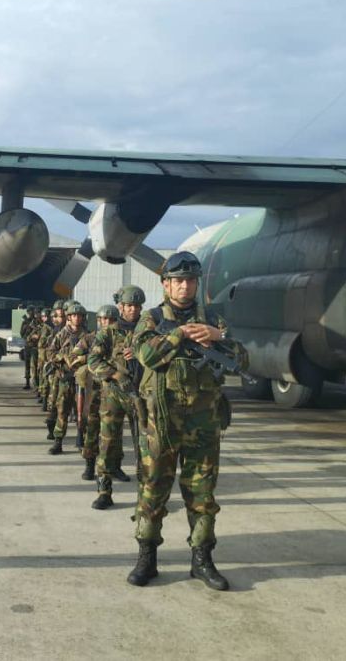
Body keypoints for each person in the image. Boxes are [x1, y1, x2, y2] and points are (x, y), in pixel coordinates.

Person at [126, 251, 249, 590]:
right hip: (161, 423)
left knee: (202, 492)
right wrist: (181, 334)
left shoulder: (213, 320)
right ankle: (147, 557)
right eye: (177, 280)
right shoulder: (150, 319)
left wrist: (217, 337)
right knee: (153, 490)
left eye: (190, 280)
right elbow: (146, 354)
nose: (184, 286)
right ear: (166, 285)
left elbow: (243, 358)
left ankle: (202, 558)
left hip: (203, 423)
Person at [87, 287, 146, 509]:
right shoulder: (108, 333)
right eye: (129, 305)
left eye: (137, 306)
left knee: (145, 446)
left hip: (141, 394)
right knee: (108, 443)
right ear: (120, 306)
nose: (133, 309)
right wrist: (115, 373)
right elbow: (93, 362)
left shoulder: (148, 330)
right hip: (113, 394)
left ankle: (145, 494)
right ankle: (104, 491)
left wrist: (140, 355)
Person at [69, 305, 109, 472]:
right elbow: (74, 355)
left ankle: (112, 466)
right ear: (98, 321)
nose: (108, 323)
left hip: (112, 387)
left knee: (113, 431)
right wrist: (89, 357)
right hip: (91, 385)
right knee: (89, 422)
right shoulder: (89, 338)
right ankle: (89, 463)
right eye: (104, 319)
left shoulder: (120, 338)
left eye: (112, 320)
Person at [45, 302, 87, 454]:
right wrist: (62, 357)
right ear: (69, 317)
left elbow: (95, 354)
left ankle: (82, 440)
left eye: (79, 316)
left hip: (82, 381)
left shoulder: (87, 335)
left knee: (82, 413)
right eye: (74, 316)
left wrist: (84, 359)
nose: (76, 319)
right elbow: (50, 353)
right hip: (65, 378)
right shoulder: (62, 334)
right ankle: (58, 441)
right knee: (62, 411)